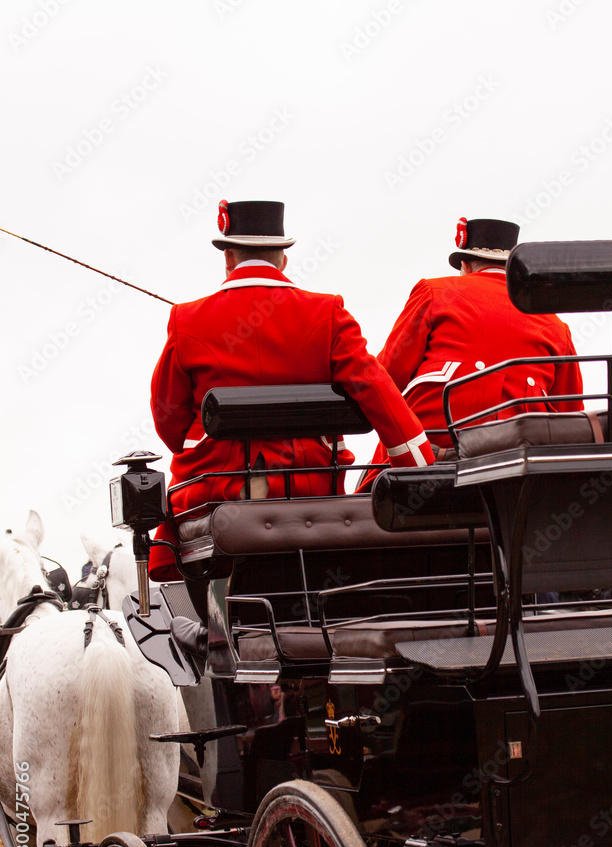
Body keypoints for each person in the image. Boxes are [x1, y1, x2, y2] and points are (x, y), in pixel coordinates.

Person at [149, 200, 434, 580]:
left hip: (216, 491)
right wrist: (421, 470)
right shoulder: (328, 313)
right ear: (283, 258)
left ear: (228, 258)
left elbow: (167, 419)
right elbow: (379, 395)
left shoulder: (186, 318)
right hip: (309, 487)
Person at [367, 217, 583, 466]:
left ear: (466, 266)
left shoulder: (435, 292)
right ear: (513, 271)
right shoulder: (555, 324)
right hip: (522, 462)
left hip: (432, 459)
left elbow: (387, 375)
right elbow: (569, 417)